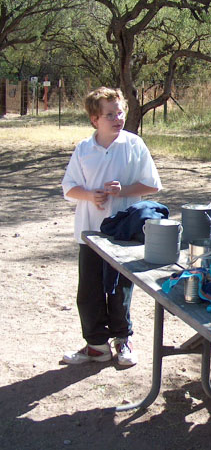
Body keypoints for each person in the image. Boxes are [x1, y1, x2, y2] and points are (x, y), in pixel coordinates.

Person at [61, 87, 162, 366]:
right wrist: (90, 195)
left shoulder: (134, 144)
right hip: (90, 233)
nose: (117, 118)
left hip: (122, 235)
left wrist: (124, 189)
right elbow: (69, 188)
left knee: (119, 289)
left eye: (120, 112)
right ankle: (95, 346)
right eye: (109, 114)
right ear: (95, 119)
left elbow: (153, 184)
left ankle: (122, 340)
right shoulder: (84, 149)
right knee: (90, 290)